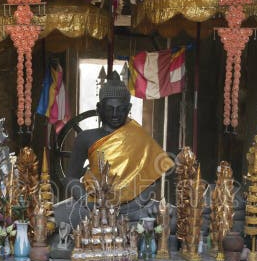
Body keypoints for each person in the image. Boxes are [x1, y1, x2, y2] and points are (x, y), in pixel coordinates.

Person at [63, 71, 174, 219]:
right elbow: (71, 178)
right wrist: (86, 201)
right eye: (109, 109)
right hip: (94, 205)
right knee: (60, 216)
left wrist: (138, 202)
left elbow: (153, 177)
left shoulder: (139, 136)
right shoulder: (86, 138)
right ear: (99, 108)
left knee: (171, 218)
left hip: (134, 207)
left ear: (128, 108)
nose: (115, 114)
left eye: (121, 109)